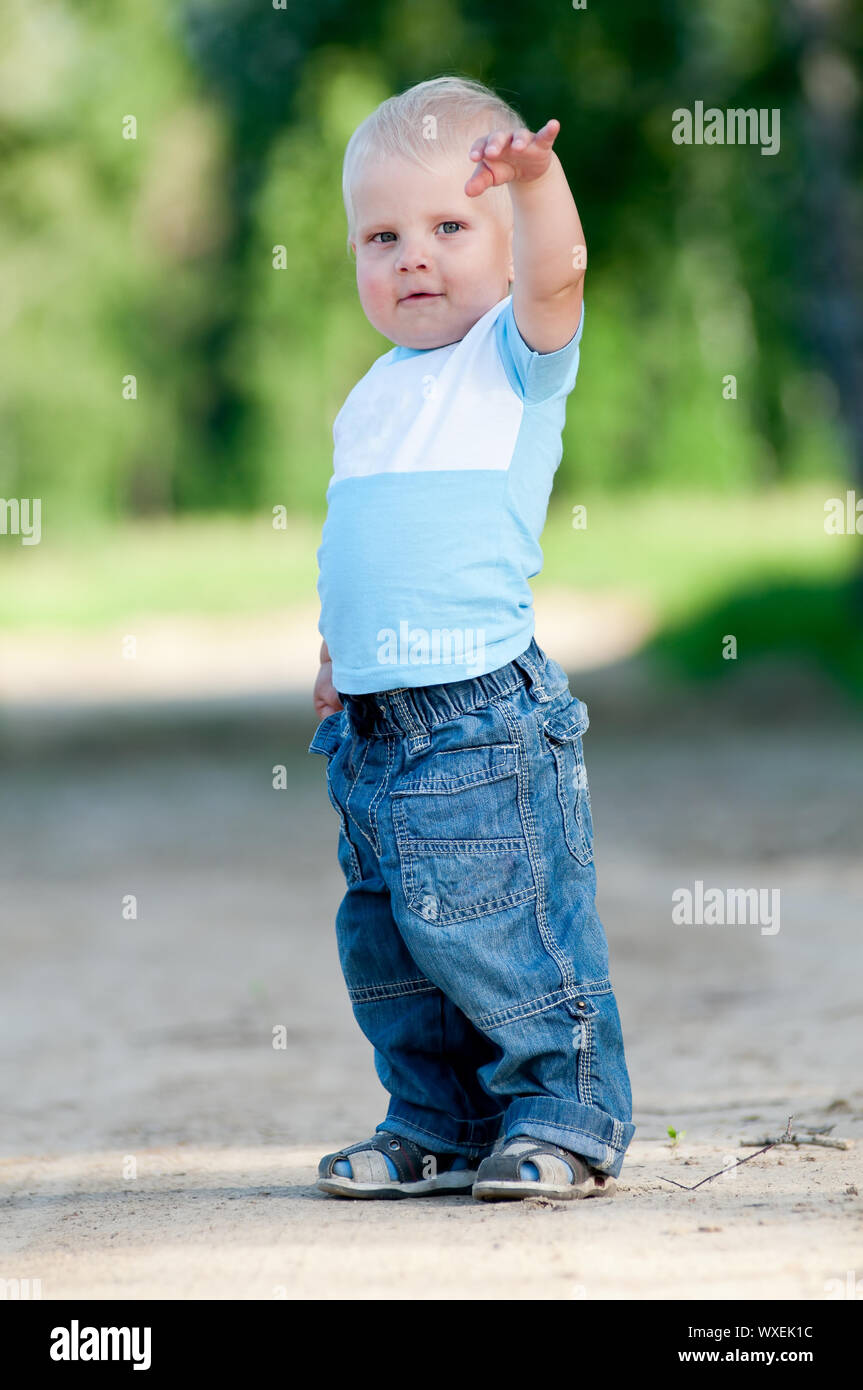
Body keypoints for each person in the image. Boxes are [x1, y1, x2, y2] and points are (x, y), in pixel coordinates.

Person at [309, 75, 634, 1201]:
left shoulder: (511, 357)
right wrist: (332, 649)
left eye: (450, 228)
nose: (413, 256)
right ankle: (434, 1118)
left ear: (500, 250)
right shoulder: (369, 398)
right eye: (382, 236)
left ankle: (563, 1111)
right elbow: (362, 541)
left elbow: (561, 274)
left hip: (479, 717)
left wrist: (538, 188)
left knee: (506, 933)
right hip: (372, 726)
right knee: (394, 949)